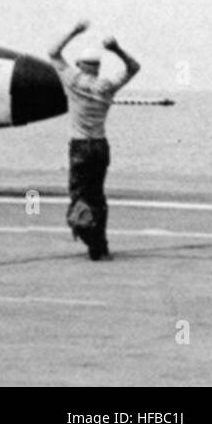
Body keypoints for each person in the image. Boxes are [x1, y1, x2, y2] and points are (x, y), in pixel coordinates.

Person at [48, 20, 141, 261]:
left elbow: (53, 52)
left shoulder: (73, 80)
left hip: (79, 146)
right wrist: (117, 49)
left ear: (80, 65)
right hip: (100, 146)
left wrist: (73, 31)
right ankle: (101, 245)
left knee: (79, 196)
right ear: (97, 68)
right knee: (98, 197)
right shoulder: (106, 86)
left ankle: (91, 241)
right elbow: (134, 67)